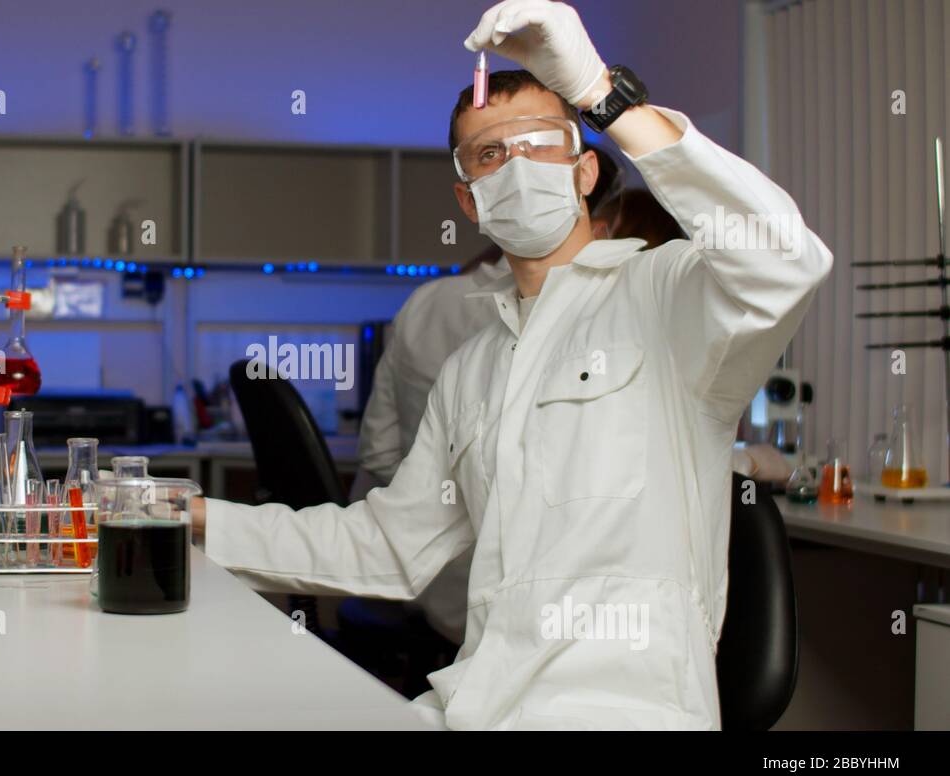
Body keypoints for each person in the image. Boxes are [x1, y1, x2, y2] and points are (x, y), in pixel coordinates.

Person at [192, 0, 832, 729]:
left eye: (538, 142)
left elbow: (786, 259)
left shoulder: (669, 299)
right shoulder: (474, 367)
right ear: (469, 199)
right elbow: (387, 546)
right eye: (490, 154)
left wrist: (598, 89)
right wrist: (196, 517)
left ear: (586, 170)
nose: (516, 164)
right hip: (479, 702)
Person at [353, 120, 623, 649]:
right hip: (502, 619)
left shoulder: (426, 303)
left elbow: (379, 454)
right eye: (495, 153)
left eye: (540, 146)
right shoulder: (499, 348)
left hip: (434, 590)